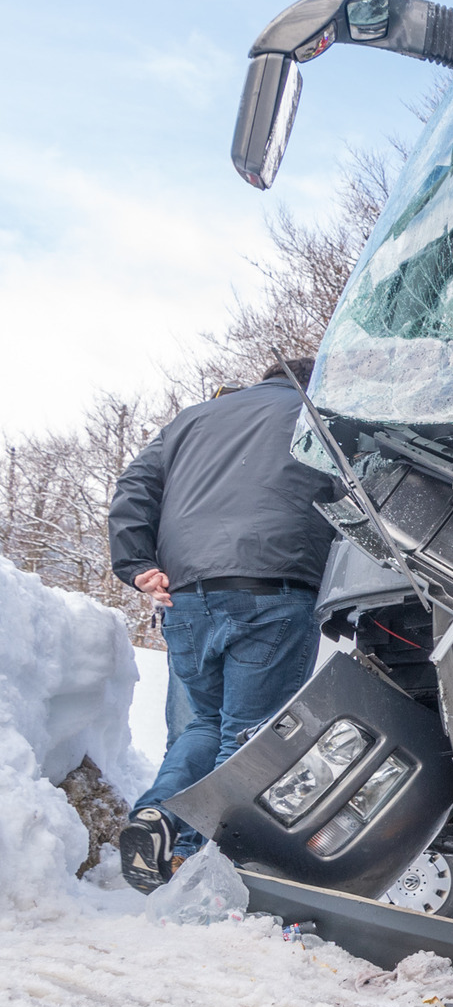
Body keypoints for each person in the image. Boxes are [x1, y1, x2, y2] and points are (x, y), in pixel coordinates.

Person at [109, 357, 338, 891]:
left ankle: (158, 821)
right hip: (274, 588)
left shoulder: (191, 418)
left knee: (205, 724)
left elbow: (133, 486)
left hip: (185, 595)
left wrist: (138, 565)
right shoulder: (319, 414)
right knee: (250, 737)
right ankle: (213, 870)